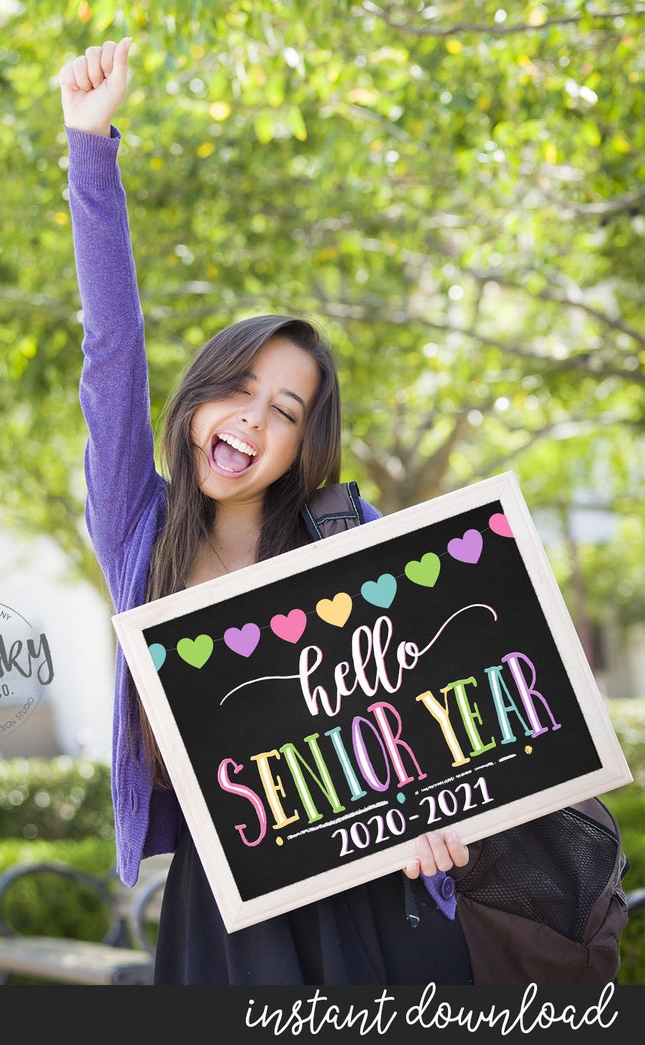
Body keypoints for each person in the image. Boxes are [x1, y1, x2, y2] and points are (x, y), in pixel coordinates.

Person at [58, 38, 627, 986]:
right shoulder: (139, 530)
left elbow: (434, 724)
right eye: (234, 389)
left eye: (283, 410)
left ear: (302, 444)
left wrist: (446, 815)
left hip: (373, 895)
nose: (249, 417)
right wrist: (91, 145)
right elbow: (110, 347)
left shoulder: (345, 545)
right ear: (195, 402)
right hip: (227, 894)